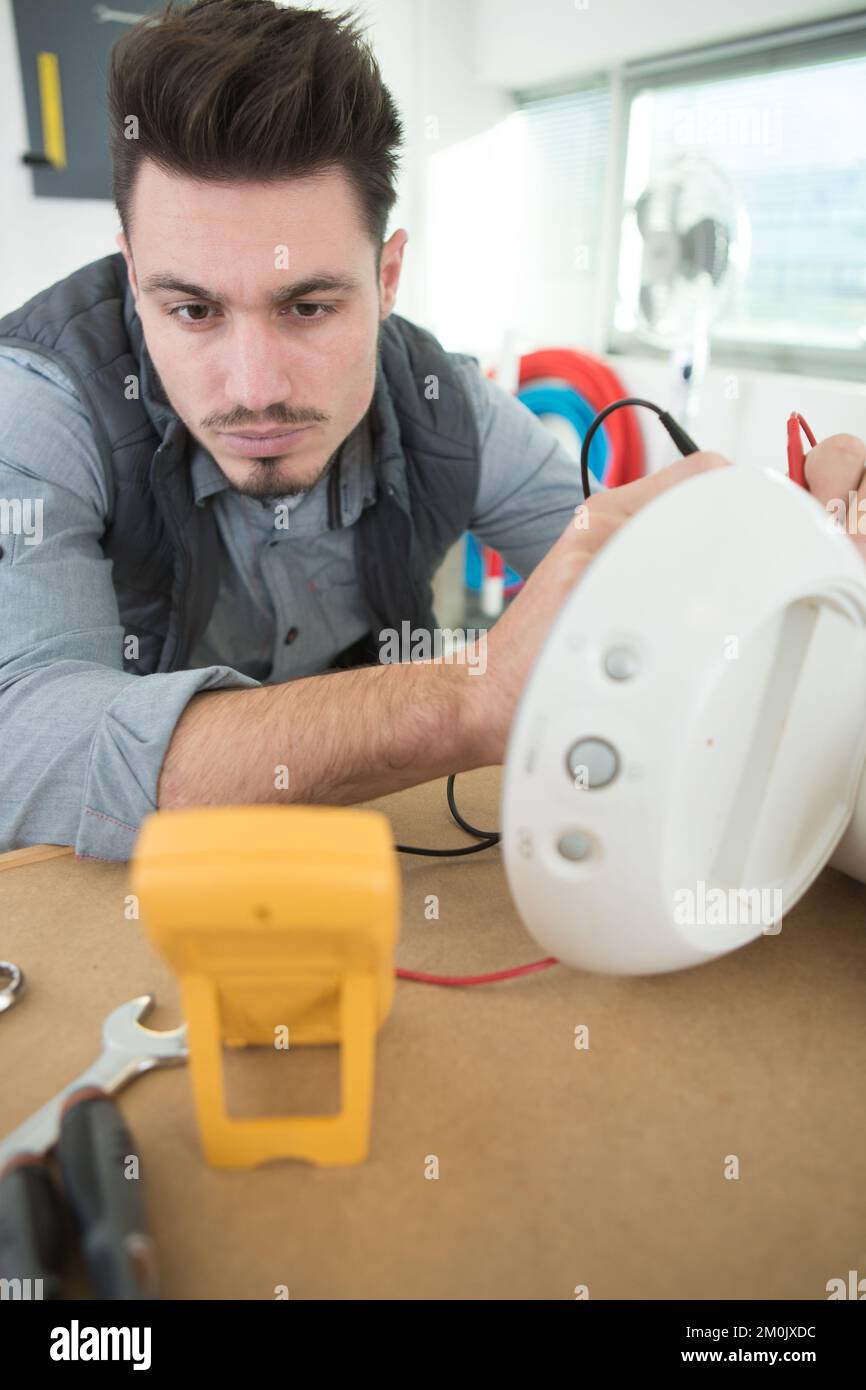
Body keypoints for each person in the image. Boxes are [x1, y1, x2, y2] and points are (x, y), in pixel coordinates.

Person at [0, 0, 862, 861]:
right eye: (191, 309)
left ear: (389, 275)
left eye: (309, 306)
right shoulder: (39, 401)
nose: (255, 388)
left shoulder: (442, 401)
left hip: (379, 874)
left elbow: (647, 589)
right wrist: (463, 699)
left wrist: (798, 566)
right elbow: (23, 742)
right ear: (132, 274)